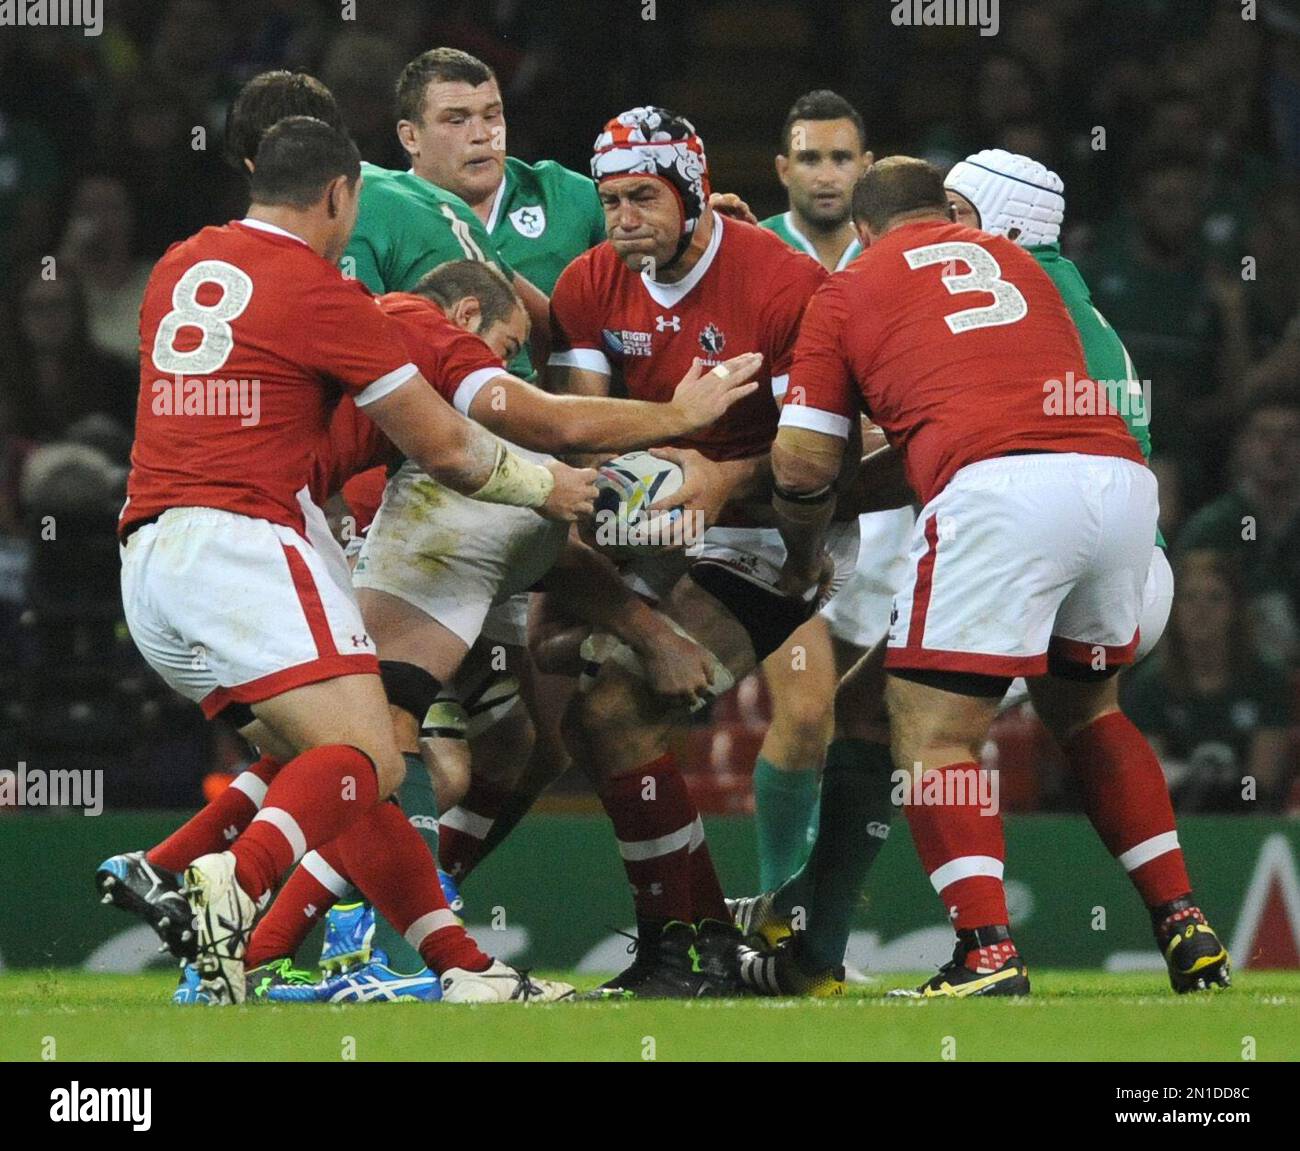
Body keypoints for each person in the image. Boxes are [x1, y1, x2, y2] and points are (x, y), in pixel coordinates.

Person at [101, 116, 594, 1005]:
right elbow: (448, 448)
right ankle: (230, 879)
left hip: (147, 558)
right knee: (374, 756)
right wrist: (548, 486)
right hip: (242, 541)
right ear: (339, 195)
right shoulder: (325, 294)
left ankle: (462, 969)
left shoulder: (177, 263)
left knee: (336, 774)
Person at [768, 155, 1229, 998]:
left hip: (1005, 498)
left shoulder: (852, 284)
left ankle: (984, 952)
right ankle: (1184, 921)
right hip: (1123, 495)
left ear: (864, 231)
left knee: (930, 728)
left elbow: (802, 463)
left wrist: (802, 552)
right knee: (1088, 710)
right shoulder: (1029, 268)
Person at [546, 105, 859, 998]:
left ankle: (689, 945)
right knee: (571, 709)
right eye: (609, 200)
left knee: (613, 710)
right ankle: (705, 940)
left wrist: (723, 479)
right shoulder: (588, 284)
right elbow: (580, 439)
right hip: (648, 515)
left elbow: (821, 455)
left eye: (643, 196)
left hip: (774, 527)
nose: (623, 219)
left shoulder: (783, 282)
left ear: (692, 189)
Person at [750, 89, 912, 897]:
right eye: (809, 157)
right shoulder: (750, 258)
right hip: (789, 523)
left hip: (893, 526)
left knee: (872, 724)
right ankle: (782, 908)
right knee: (807, 712)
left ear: (868, 167)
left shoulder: (901, 258)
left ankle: (823, 918)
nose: (826, 173)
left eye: (842, 157)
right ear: (782, 168)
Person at [1123, 550, 1293, 812]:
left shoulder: (1266, 679)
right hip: (1175, 815)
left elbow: (1262, 784)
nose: (1200, 610)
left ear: (1236, 610)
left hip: (1250, 817)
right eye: (1189, 598)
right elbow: (1150, 780)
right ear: (1173, 608)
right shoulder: (1151, 684)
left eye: (1215, 599)